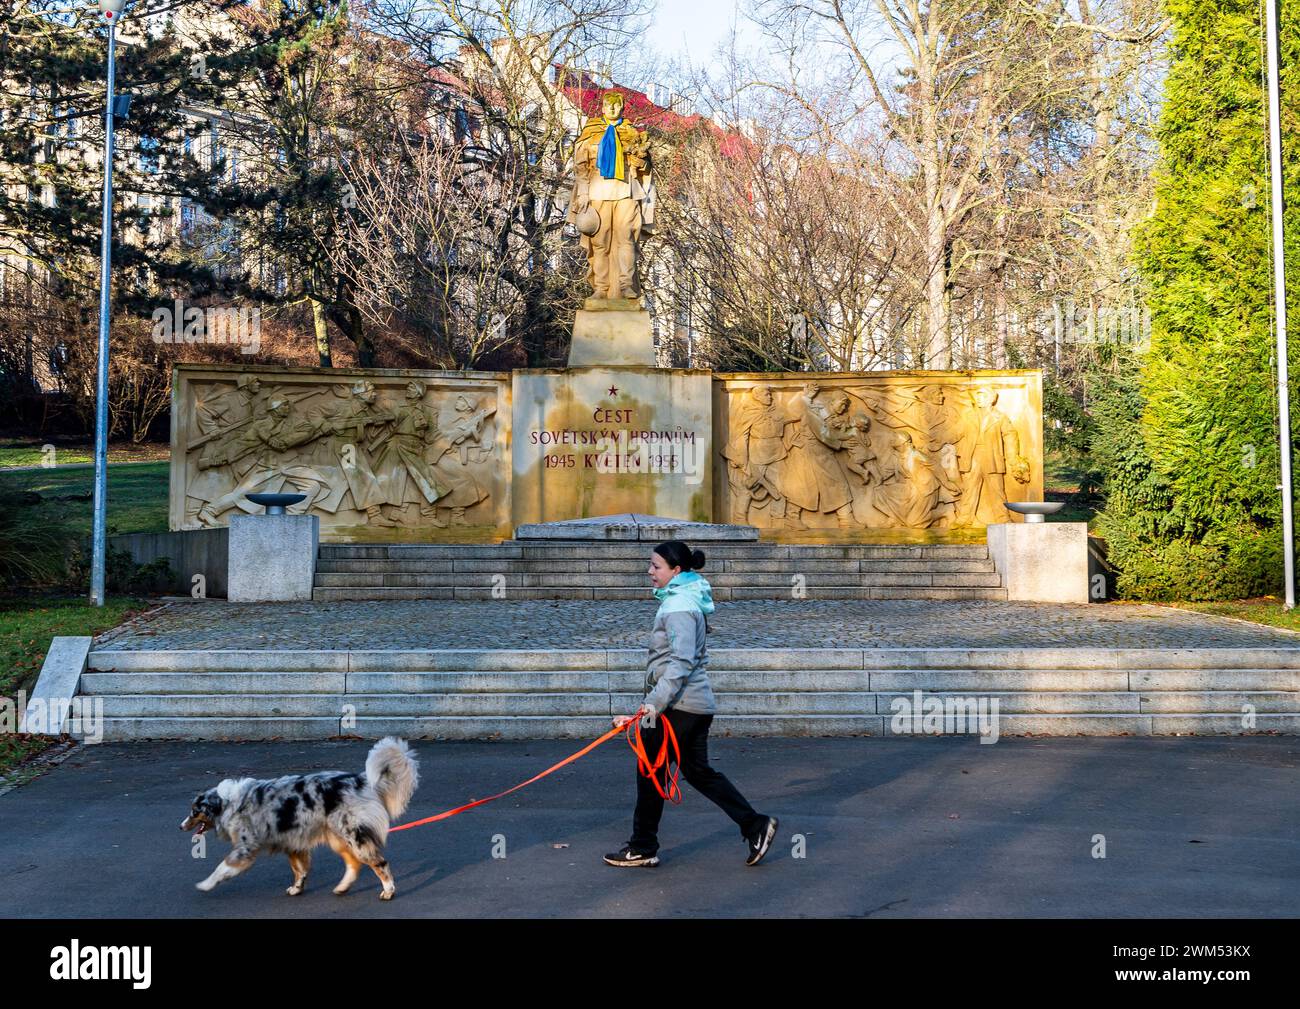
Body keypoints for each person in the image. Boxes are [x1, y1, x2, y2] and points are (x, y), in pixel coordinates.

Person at [604, 540, 778, 868]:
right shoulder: (686, 598)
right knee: (698, 772)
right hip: (693, 705)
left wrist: (652, 705)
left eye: (657, 566)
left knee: (651, 771)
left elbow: (681, 662)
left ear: (677, 570)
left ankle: (643, 846)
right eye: (651, 565)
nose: (650, 572)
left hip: (678, 707)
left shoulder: (679, 605)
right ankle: (755, 825)